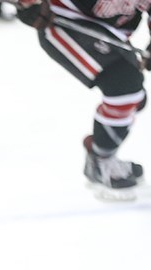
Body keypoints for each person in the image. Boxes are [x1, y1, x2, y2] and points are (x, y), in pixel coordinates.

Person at [16, 1, 147, 200]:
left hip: (111, 29)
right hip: (63, 21)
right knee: (124, 87)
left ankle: (100, 154)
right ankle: (101, 162)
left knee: (134, 98)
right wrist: (27, 4)